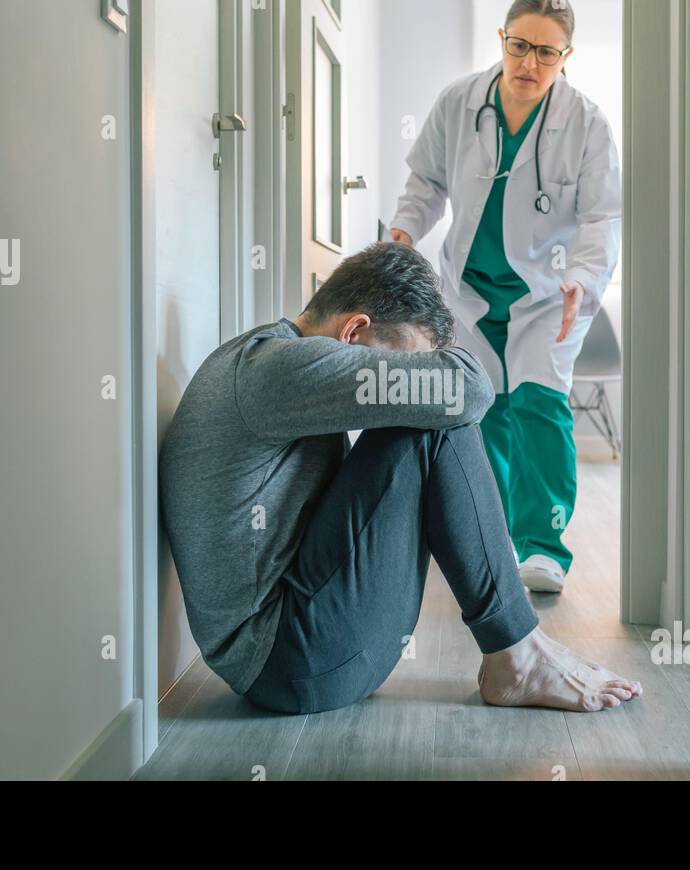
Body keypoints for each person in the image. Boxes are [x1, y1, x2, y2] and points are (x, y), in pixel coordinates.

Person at [159, 242, 641, 716]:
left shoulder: (269, 358)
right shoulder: (280, 368)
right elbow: (467, 387)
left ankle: (519, 644)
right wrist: (427, 381)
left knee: (432, 410)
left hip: (299, 651)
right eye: (401, 360)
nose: (396, 373)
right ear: (354, 332)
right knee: (433, 420)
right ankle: (516, 653)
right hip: (291, 663)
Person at [390, 0, 622, 594]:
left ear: (564, 57)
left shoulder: (588, 124)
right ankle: (490, 543)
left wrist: (587, 278)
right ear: (502, 39)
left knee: (541, 405)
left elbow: (601, 217)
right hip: (467, 291)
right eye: (520, 45)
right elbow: (427, 181)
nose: (529, 62)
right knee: (483, 408)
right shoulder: (459, 102)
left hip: (547, 294)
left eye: (546, 51)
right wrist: (403, 232)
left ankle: (544, 548)